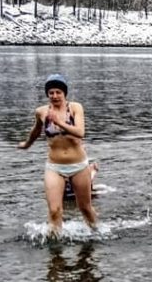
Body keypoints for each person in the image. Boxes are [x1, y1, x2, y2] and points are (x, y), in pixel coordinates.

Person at [17, 74, 98, 233]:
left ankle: (97, 232)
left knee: (85, 209)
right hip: (54, 166)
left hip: (78, 165)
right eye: (51, 92)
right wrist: (27, 144)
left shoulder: (75, 108)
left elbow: (80, 132)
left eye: (58, 92)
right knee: (54, 211)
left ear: (64, 93)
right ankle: (55, 250)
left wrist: (59, 122)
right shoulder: (41, 112)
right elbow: (35, 131)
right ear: (47, 94)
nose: (54, 96)